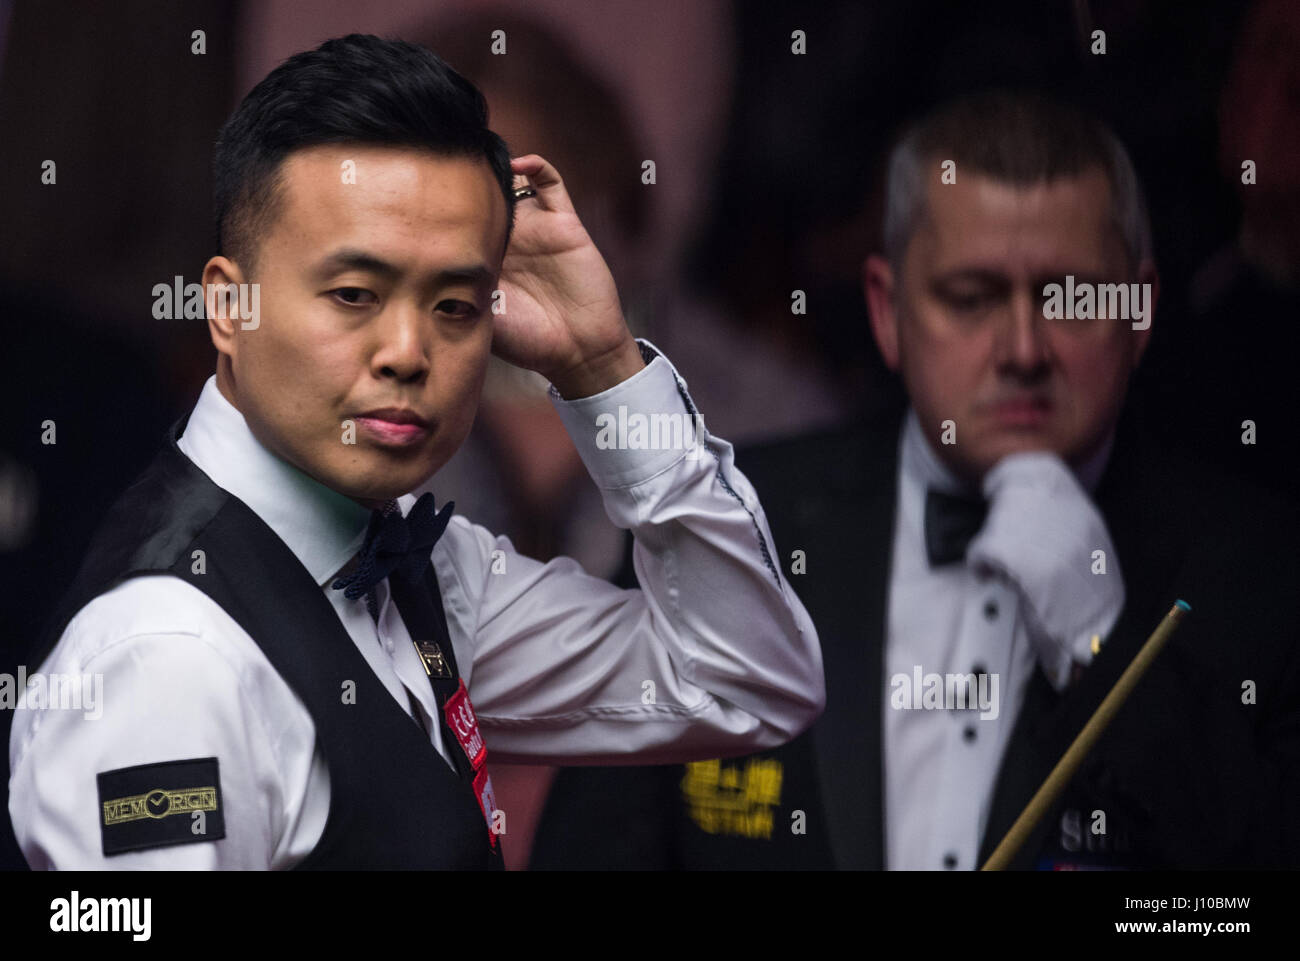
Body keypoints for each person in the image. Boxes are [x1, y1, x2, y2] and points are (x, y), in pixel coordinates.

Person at [7, 34, 823, 869]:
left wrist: (602, 365)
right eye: (354, 293)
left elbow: (745, 681)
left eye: (456, 306)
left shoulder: (422, 566)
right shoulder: (168, 660)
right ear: (227, 305)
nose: (407, 350)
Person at [532, 89, 1300, 871]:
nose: (1023, 349)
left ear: (1138, 312)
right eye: (971, 299)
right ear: (888, 310)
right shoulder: (714, 520)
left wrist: (1102, 652)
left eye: (1069, 298)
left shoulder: (1259, 573)